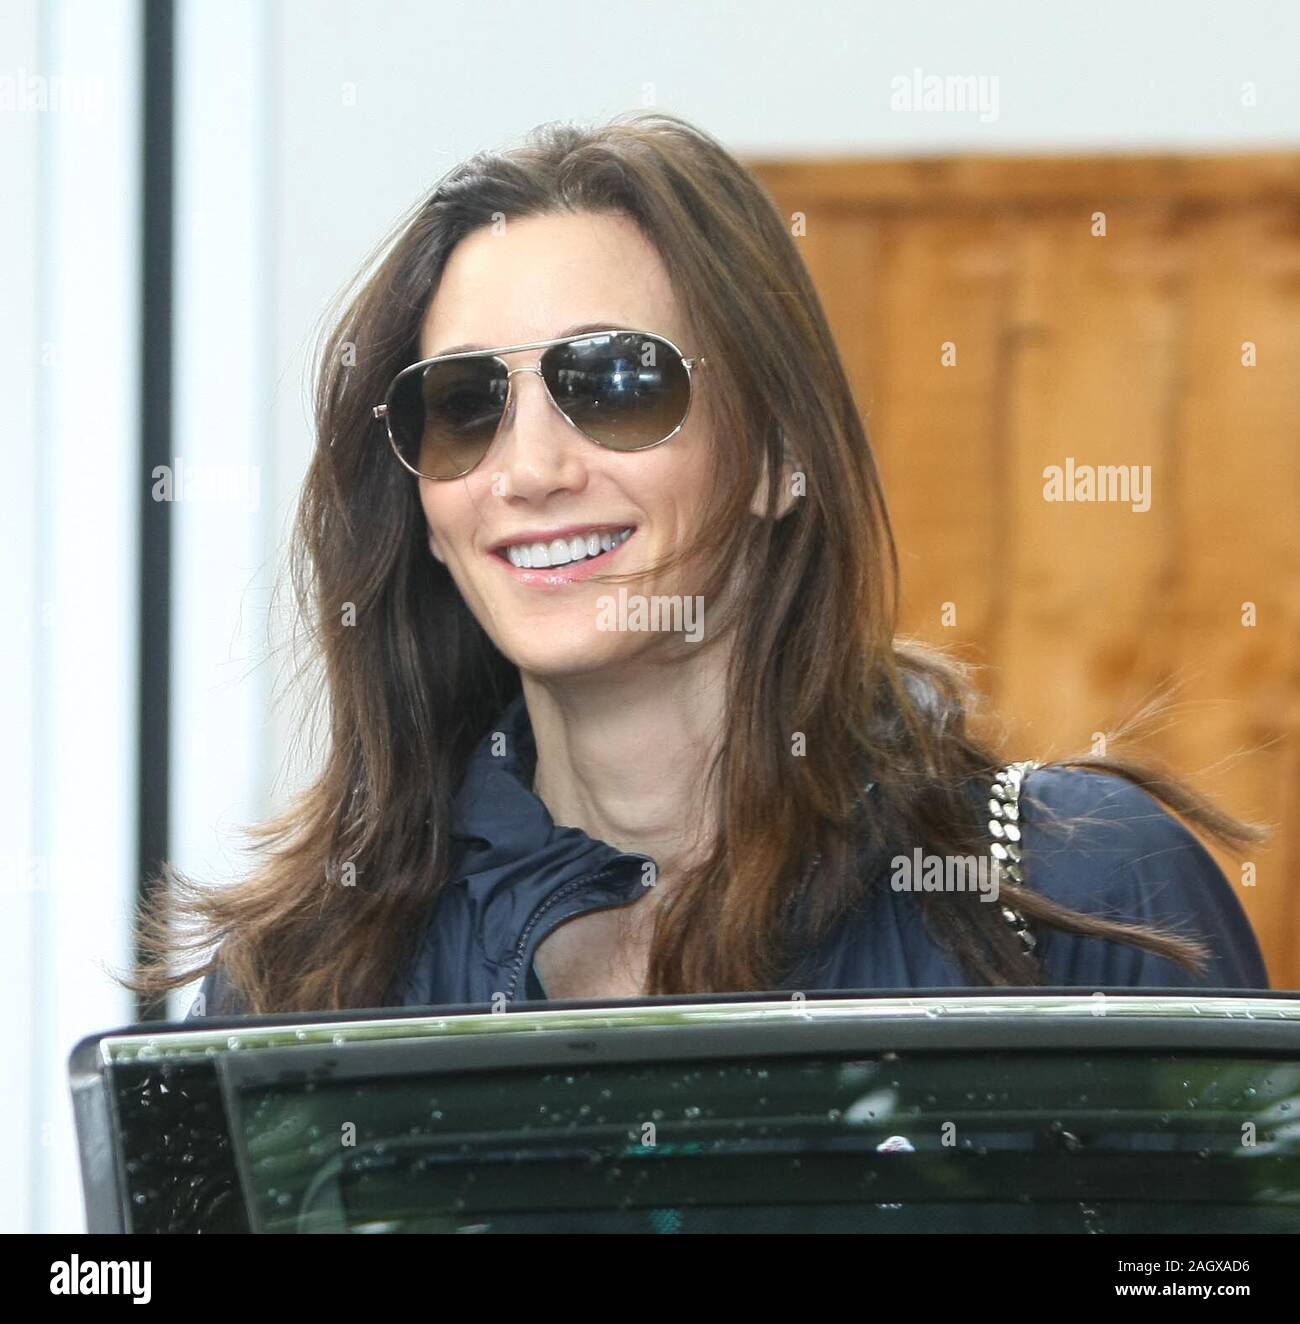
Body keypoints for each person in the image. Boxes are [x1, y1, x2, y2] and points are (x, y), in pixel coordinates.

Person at [126, 111, 1267, 1019]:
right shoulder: (306, 979)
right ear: (425, 509)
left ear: (778, 454)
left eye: (616, 382)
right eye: (464, 406)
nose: (526, 469)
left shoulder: (1085, 892)